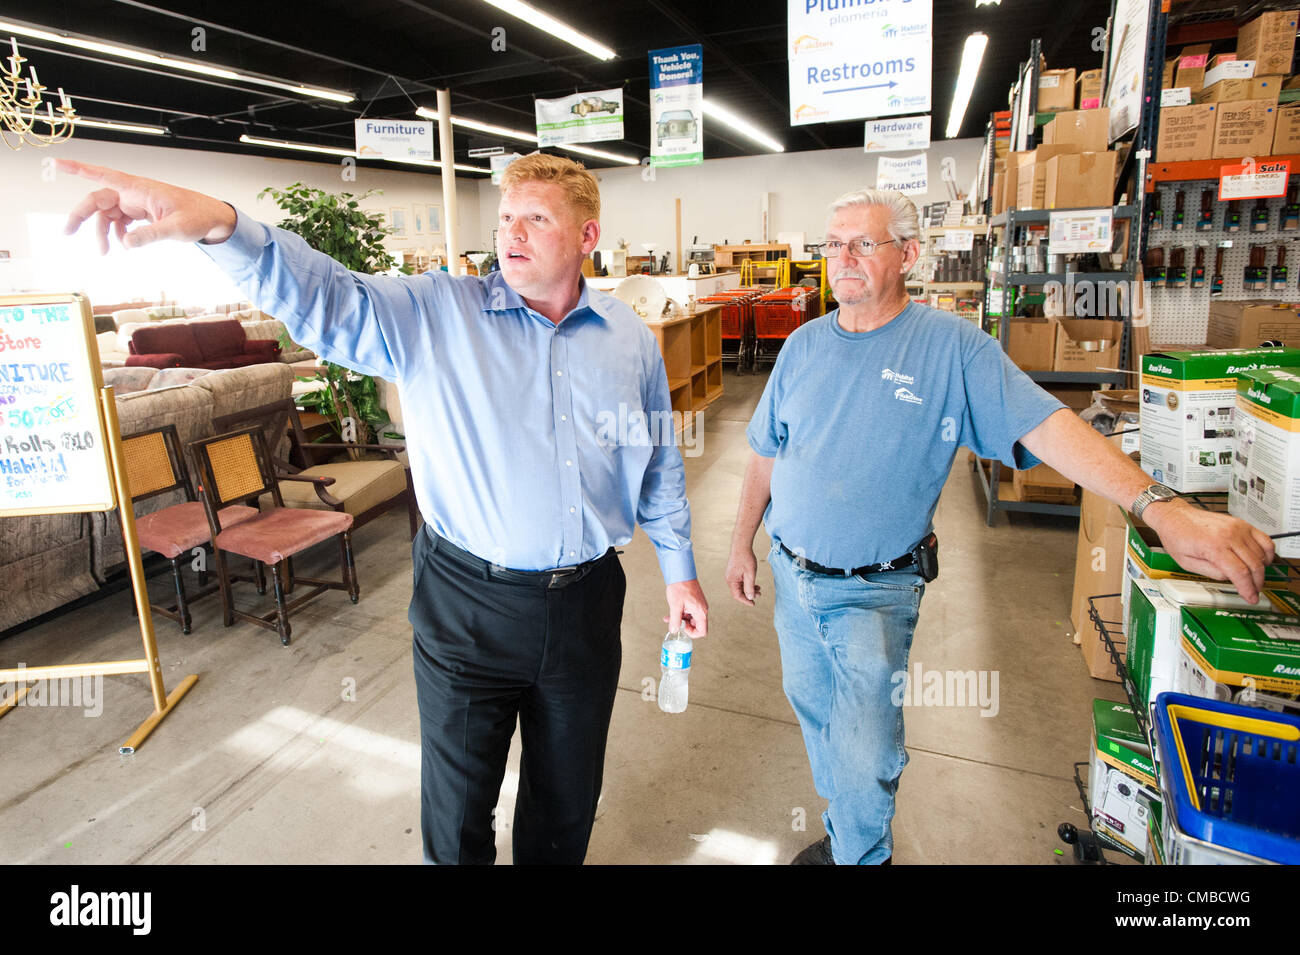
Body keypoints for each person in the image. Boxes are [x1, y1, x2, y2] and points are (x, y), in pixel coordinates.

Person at [57, 152, 709, 865]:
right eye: (505, 218)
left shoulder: (627, 341)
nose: (511, 234)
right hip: (468, 606)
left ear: (587, 237)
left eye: (537, 218)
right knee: (457, 815)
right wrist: (223, 227)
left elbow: (657, 463)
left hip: (586, 602)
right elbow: (330, 299)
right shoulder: (437, 314)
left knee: (566, 804)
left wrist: (679, 570)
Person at [724, 188, 1275, 866]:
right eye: (832, 244)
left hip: (873, 591)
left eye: (863, 242)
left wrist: (1162, 508)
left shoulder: (950, 347)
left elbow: (1048, 426)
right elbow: (765, 450)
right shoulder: (804, 345)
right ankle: (849, 831)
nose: (843, 258)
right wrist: (740, 543)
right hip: (792, 574)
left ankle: (862, 853)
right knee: (821, 721)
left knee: (866, 751)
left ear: (909, 254)